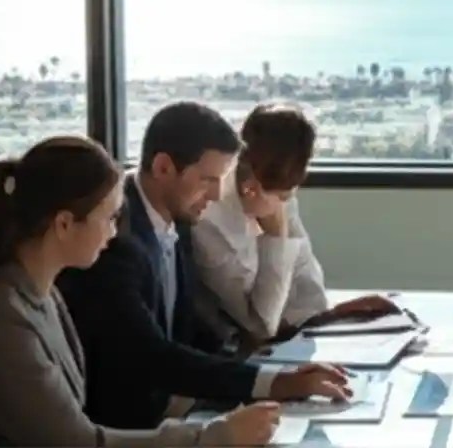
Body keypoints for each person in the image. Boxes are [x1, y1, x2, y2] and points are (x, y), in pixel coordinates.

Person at [0, 136, 279, 447]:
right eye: (109, 218)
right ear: (64, 224)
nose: (114, 233)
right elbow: (78, 443)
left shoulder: (39, 292)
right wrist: (215, 437)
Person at [58, 102, 352, 431]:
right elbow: (152, 356)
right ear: (164, 168)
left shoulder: (176, 218)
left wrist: (275, 371)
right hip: (129, 423)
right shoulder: (115, 239)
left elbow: (195, 333)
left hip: (171, 400)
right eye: (207, 180)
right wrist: (276, 382)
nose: (215, 195)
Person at [191, 103, 398, 347]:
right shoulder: (209, 225)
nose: (287, 201)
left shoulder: (277, 197)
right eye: (283, 196)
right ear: (251, 189)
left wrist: (340, 314)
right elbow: (260, 328)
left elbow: (309, 294)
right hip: (243, 353)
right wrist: (276, 237)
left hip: (290, 342)